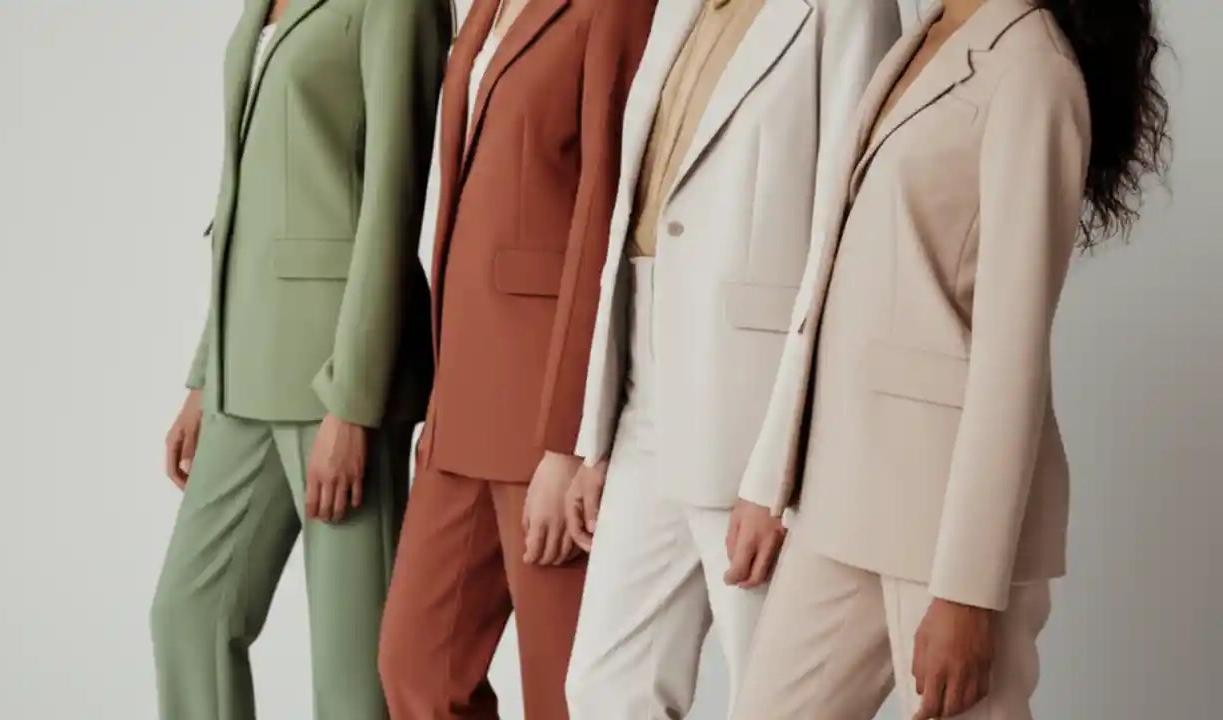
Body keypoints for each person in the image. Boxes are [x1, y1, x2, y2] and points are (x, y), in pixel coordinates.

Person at [732, 0, 1171, 717]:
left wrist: (968, 589)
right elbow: (831, 284)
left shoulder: (1034, 70)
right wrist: (771, 478)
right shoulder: (927, 34)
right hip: (847, 496)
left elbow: (1013, 352)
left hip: (952, 524)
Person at [561, 0, 901, 716]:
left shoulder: (848, 10)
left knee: (775, 699)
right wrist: (597, 434)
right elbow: (638, 214)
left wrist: (782, 466)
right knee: (603, 685)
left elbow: (845, 228)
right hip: (643, 394)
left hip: (752, 410)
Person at [150, 0, 450, 717]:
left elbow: (393, 196)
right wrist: (205, 374)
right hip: (243, 367)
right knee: (188, 616)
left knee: (351, 679)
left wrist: (354, 401)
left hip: (340, 371)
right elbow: (244, 194)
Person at [375, 1, 656, 718]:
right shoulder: (488, 6)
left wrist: (569, 439)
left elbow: (604, 211)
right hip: (463, 395)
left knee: (559, 694)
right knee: (416, 666)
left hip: (542, 405)